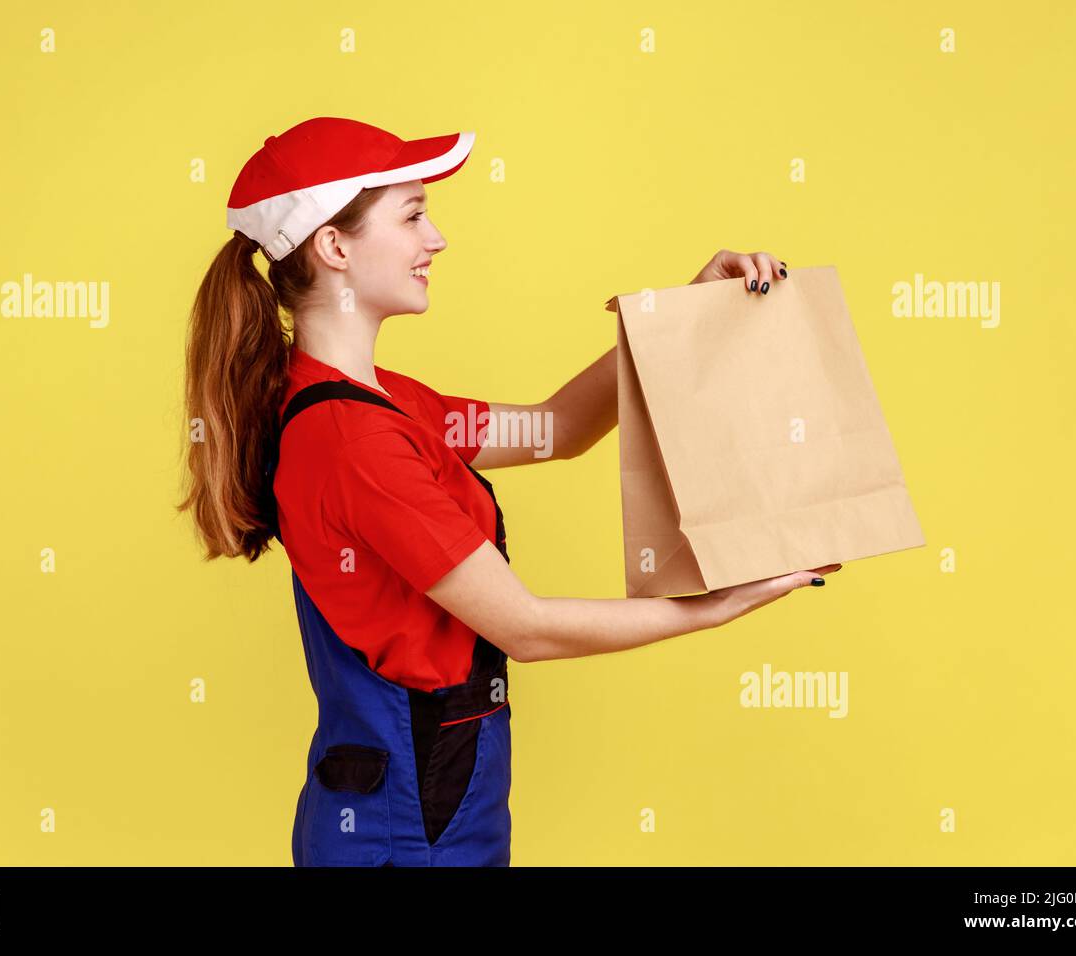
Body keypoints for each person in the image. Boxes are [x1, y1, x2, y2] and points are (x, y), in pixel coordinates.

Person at [177, 117, 841, 867]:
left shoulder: (387, 404)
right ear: (334, 247)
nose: (437, 241)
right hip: (405, 825)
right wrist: (715, 606)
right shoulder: (351, 442)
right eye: (414, 215)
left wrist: (679, 316)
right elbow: (526, 629)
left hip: (445, 792)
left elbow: (556, 429)